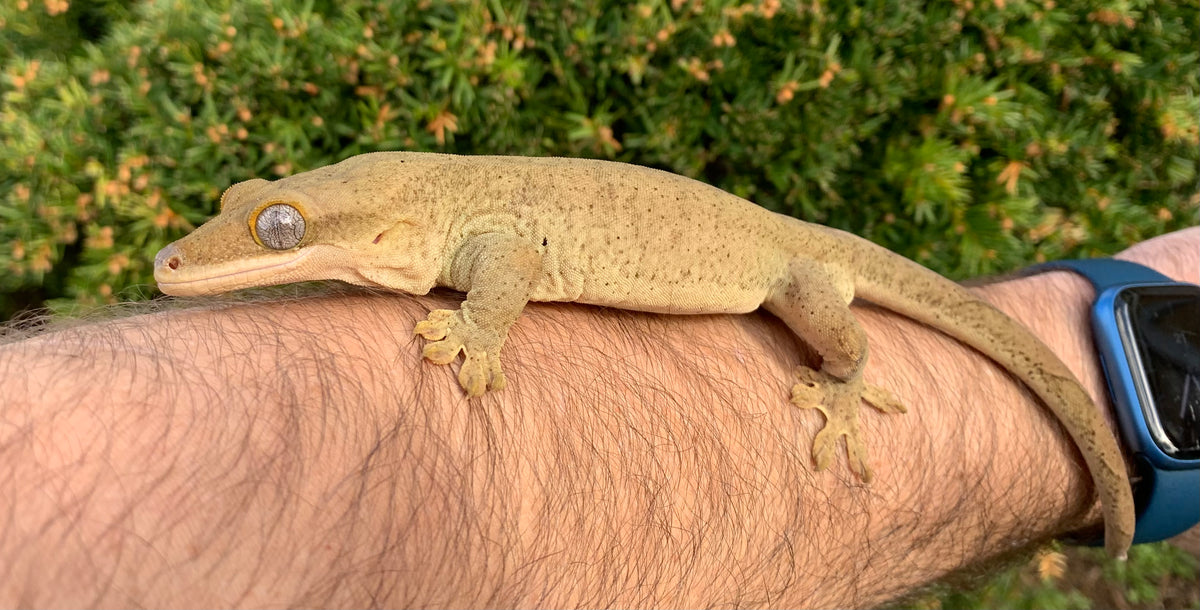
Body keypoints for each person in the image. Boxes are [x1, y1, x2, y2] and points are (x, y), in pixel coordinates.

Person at [0, 227, 1195, 608]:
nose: (255, 245)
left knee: (832, 329)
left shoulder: (460, 237)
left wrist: (846, 386)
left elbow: (506, 259)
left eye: (279, 228)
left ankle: (845, 375)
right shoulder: (414, 225)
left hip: (789, 271)